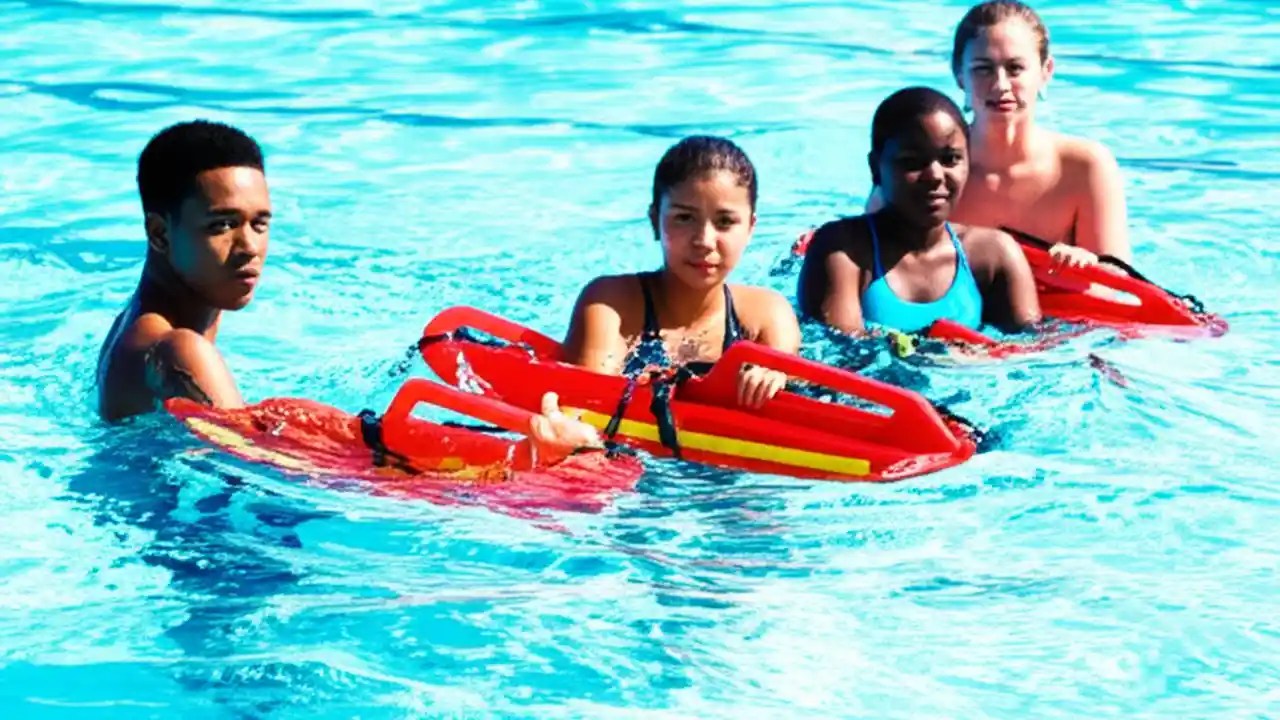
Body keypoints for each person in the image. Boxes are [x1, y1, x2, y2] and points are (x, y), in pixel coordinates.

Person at [97, 119, 599, 461]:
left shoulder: (160, 313)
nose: (249, 247)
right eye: (222, 225)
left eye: (260, 223)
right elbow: (267, 465)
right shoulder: (180, 349)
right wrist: (524, 452)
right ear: (160, 233)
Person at [866, 0, 1131, 270]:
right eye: (983, 69)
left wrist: (1087, 268)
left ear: (1045, 72)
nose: (1000, 85)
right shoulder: (927, 168)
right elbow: (870, 257)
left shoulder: (1084, 167)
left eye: (1015, 68)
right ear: (959, 76)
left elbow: (1119, 285)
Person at [562, 135, 801, 409]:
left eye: (725, 222)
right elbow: (585, 410)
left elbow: (798, 402)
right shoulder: (612, 305)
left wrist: (774, 377)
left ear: (750, 228)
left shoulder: (767, 317)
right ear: (655, 221)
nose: (704, 241)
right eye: (684, 218)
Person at [798, 87, 1041, 335]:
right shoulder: (843, 252)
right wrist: (934, 351)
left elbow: (1034, 354)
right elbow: (841, 356)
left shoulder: (992, 255)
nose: (935, 176)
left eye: (951, 159)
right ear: (875, 168)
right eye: (912, 162)